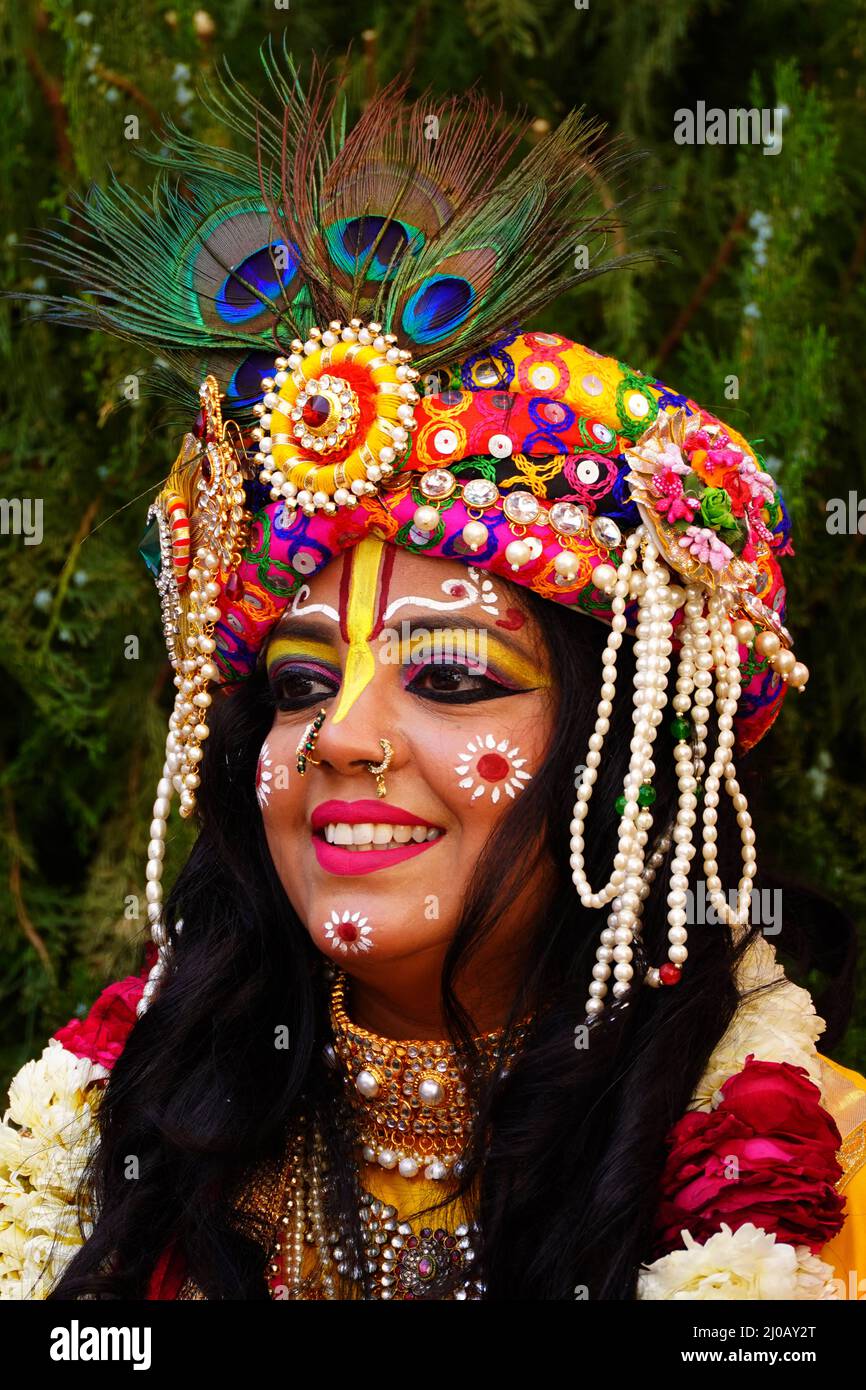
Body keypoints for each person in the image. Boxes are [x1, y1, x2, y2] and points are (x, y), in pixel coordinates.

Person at [2, 36, 864, 1302]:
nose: (341, 737)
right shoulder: (106, 1131)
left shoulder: (814, 1171)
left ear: (620, 758)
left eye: (451, 679)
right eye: (297, 685)